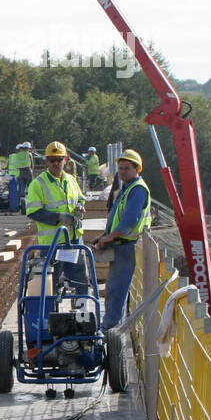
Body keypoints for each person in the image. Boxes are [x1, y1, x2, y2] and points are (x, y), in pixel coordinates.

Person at [93, 149, 151, 330]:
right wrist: (105, 236)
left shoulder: (138, 190)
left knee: (116, 289)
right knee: (113, 288)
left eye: (127, 168)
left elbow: (129, 220)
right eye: (120, 168)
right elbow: (117, 217)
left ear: (137, 169)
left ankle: (110, 329)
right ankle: (111, 326)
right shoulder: (126, 189)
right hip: (119, 244)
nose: (122, 172)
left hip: (126, 247)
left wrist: (109, 237)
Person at [25, 141, 88, 292]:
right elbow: (33, 212)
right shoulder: (38, 184)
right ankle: (50, 314)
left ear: (65, 159)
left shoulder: (71, 180)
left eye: (59, 159)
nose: (56, 163)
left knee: (80, 281)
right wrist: (58, 217)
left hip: (73, 241)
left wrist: (80, 207)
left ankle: (81, 311)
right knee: (50, 285)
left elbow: (80, 198)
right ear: (46, 161)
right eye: (52, 160)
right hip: (52, 244)